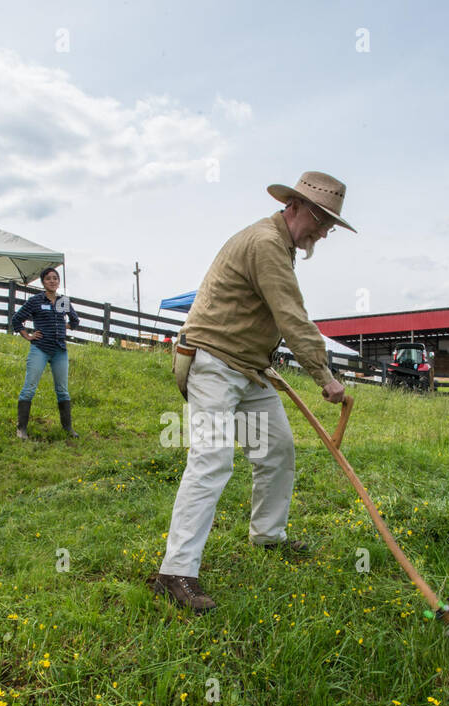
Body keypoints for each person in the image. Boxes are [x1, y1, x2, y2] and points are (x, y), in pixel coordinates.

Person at [150, 171, 355, 614]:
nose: (324, 230)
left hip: (247, 368)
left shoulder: (281, 246)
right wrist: (325, 377)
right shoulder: (265, 243)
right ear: (295, 206)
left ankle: (268, 536)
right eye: (321, 219)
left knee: (278, 450)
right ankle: (175, 573)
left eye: (329, 224)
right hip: (212, 364)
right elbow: (292, 316)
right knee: (212, 459)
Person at [12, 267, 81, 439]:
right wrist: (28, 336)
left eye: (55, 278)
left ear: (58, 282)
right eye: (48, 278)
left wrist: (61, 326)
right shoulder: (36, 300)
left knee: (63, 390)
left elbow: (75, 321)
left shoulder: (62, 300)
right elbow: (16, 319)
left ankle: (68, 428)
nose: (52, 281)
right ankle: (21, 429)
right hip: (40, 348)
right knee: (29, 388)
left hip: (59, 350)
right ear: (43, 282)